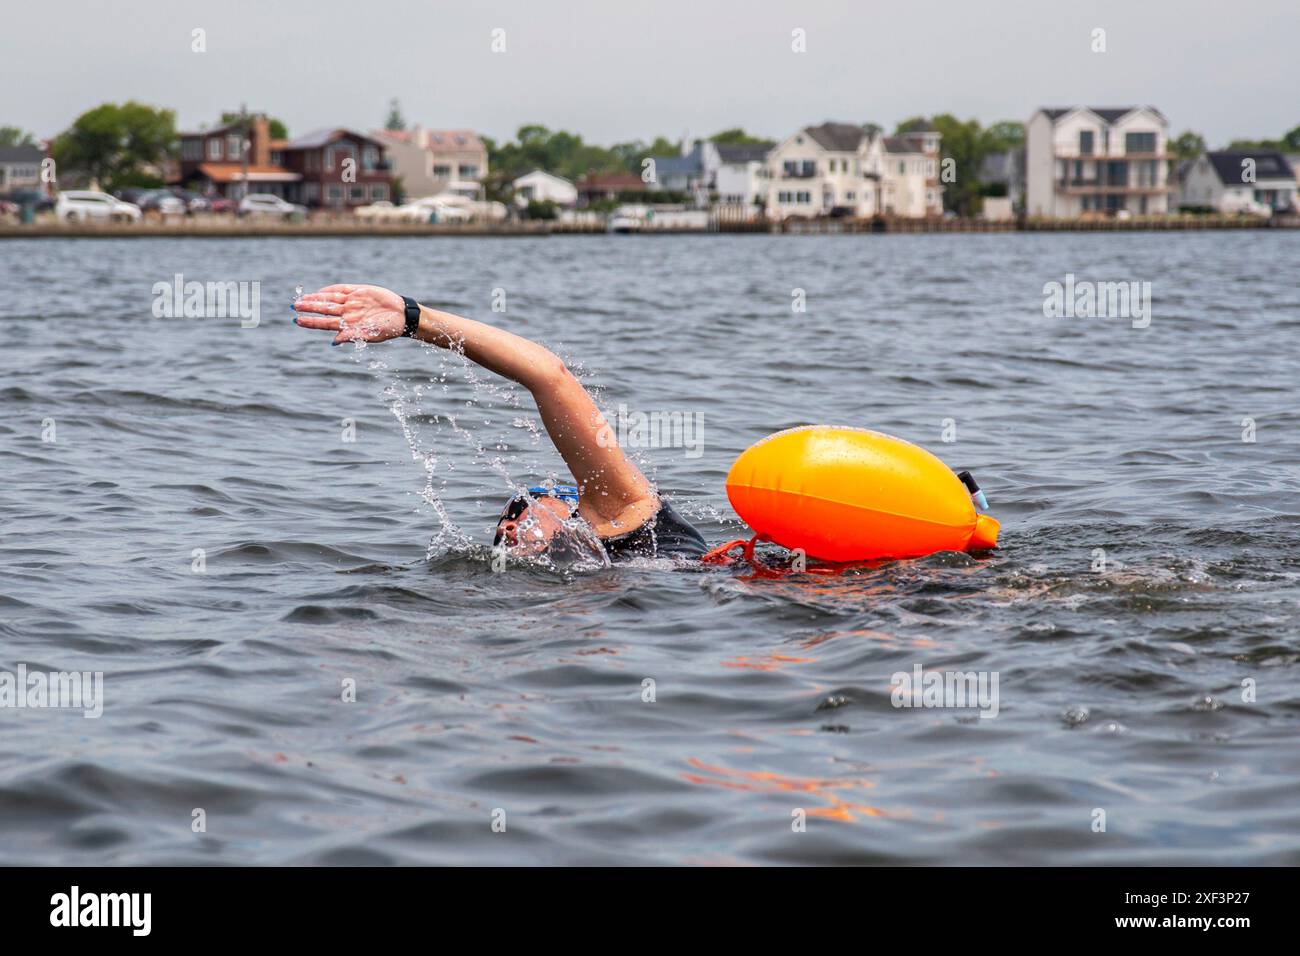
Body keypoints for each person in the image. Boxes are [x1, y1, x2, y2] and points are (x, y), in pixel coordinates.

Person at [293, 284, 708, 563]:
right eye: (501, 527)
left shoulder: (624, 516)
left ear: (574, 508)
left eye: (520, 506)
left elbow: (548, 375)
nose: (507, 525)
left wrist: (414, 319)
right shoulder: (575, 579)